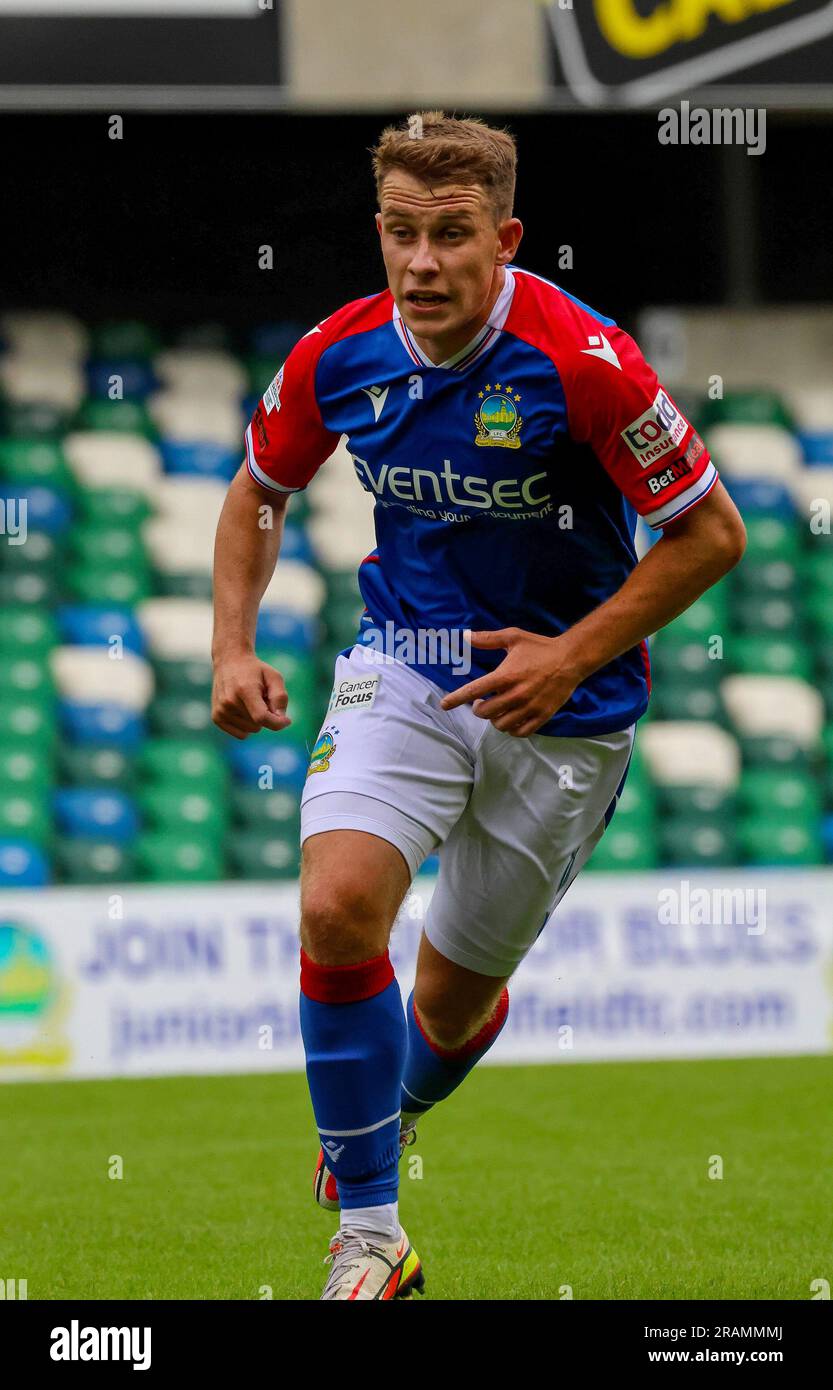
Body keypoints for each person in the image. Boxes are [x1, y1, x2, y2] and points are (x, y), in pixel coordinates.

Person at [212, 111, 747, 1300]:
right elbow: (257, 487)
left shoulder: (583, 362)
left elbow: (710, 532)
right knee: (339, 902)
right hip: (402, 662)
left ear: (503, 239)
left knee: (447, 1006)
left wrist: (568, 654)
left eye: (449, 235)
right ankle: (371, 1239)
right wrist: (232, 645)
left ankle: (394, 1105)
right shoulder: (336, 355)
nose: (419, 263)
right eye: (399, 233)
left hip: (565, 710)